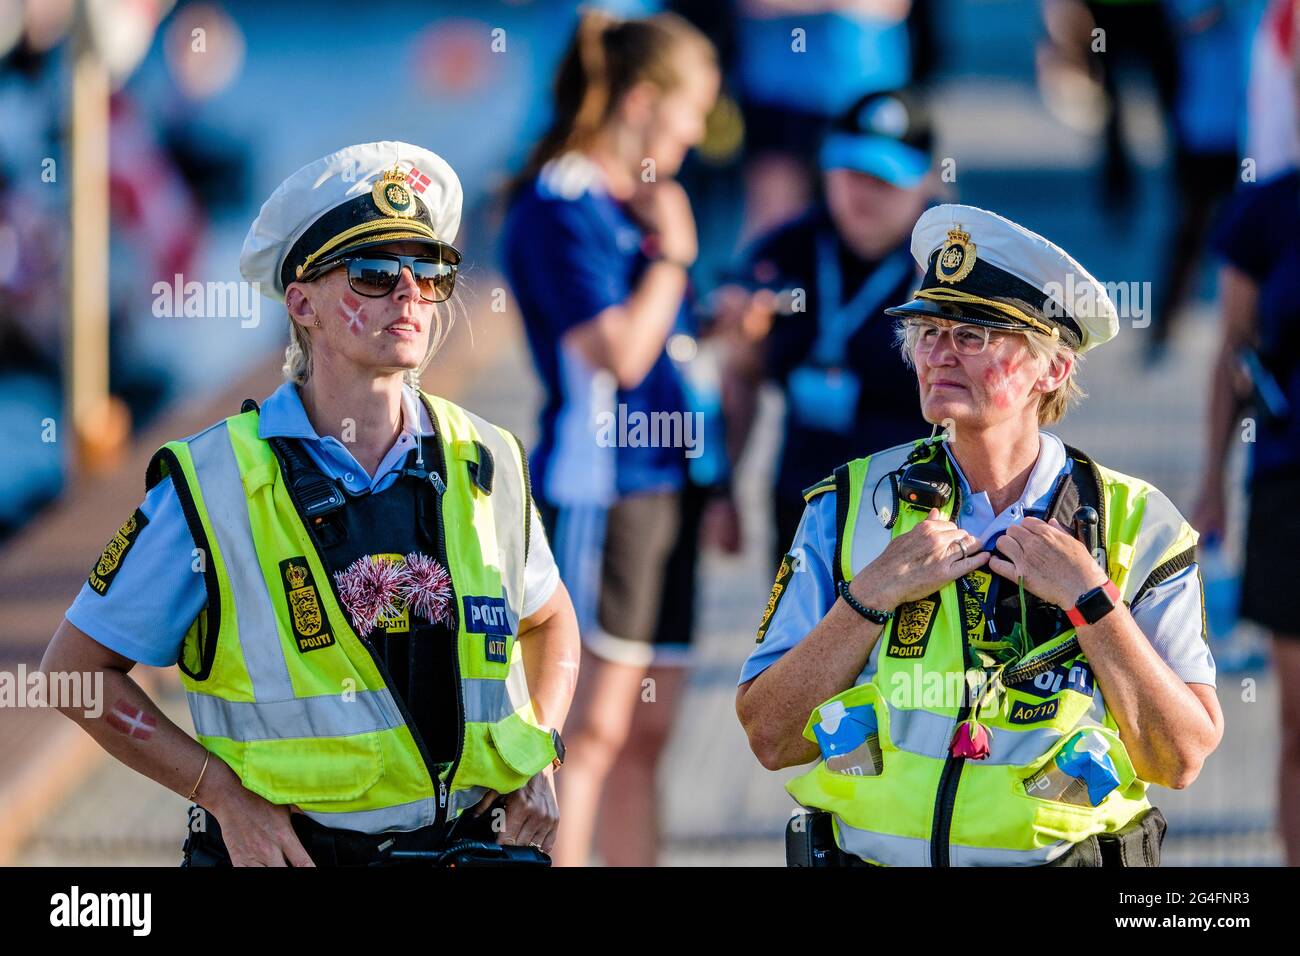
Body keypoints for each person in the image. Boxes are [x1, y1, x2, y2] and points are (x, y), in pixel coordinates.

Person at [40, 142, 579, 867]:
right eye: (374, 274)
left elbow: (552, 622)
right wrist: (224, 798)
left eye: (429, 273)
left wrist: (538, 751)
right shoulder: (215, 482)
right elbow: (76, 674)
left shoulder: (488, 459)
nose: (409, 295)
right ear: (302, 304)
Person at [736, 203, 1223, 867]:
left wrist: (1091, 599)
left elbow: (1181, 756)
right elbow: (770, 735)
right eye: (928, 331)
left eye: (973, 336)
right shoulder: (845, 503)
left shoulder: (1143, 523)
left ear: (1053, 369)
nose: (938, 353)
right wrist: (871, 595)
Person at [500, 10, 720, 866]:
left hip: (670, 482)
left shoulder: (633, 202)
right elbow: (617, 355)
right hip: (602, 484)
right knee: (585, 730)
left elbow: (672, 354)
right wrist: (674, 257)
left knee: (648, 729)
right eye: (692, 110)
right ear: (641, 101)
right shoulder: (562, 202)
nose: (700, 133)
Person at [718, 88, 935, 571]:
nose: (863, 193)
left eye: (883, 179)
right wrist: (723, 488)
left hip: (919, 509)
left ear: (924, 182)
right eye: (851, 173)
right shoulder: (786, 251)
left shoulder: (954, 265)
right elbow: (740, 376)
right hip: (806, 500)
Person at [1194, 164, 1300, 866]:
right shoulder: (1270, 209)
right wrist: (1211, 483)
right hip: (1290, 487)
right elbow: (1232, 349)